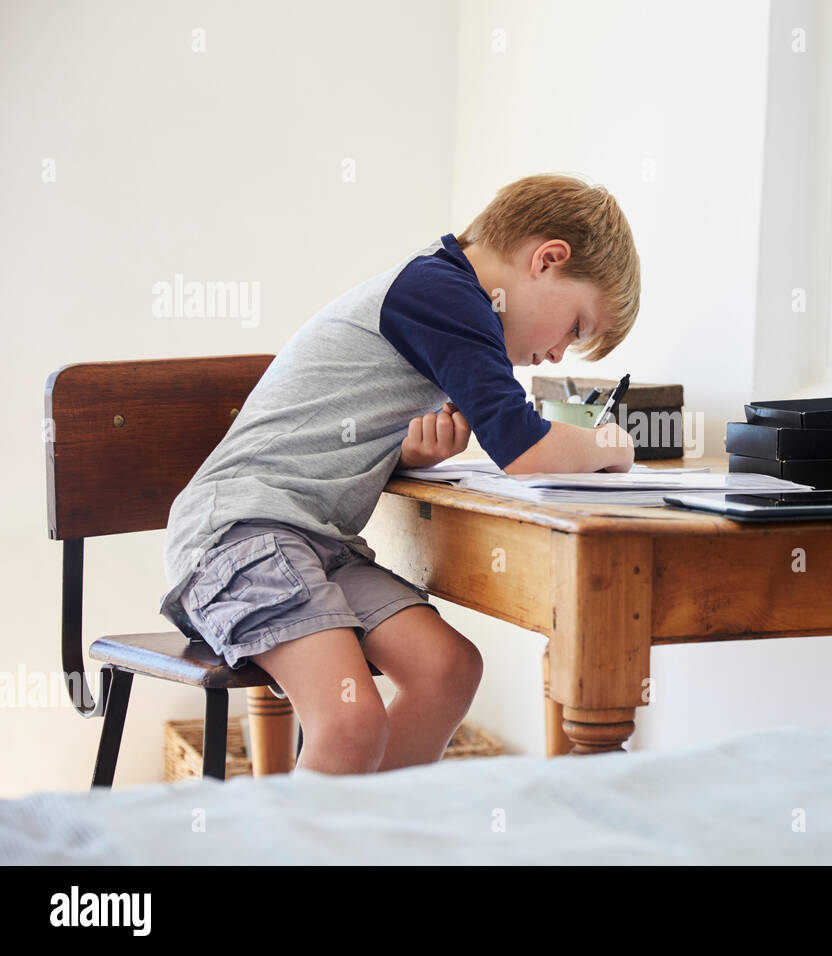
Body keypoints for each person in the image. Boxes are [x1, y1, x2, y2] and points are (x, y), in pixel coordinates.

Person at [157, 173, 640, 774]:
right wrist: (610, 444)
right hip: (239, 533)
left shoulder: (446, 293)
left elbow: (336, 428)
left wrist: (405, 453)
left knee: (448, 670)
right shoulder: (448, 296)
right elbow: (525, 450)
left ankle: (368, 842)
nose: (557, 355)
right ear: (547, 259)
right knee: (350, 719)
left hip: (314, 540)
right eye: (575, 327)